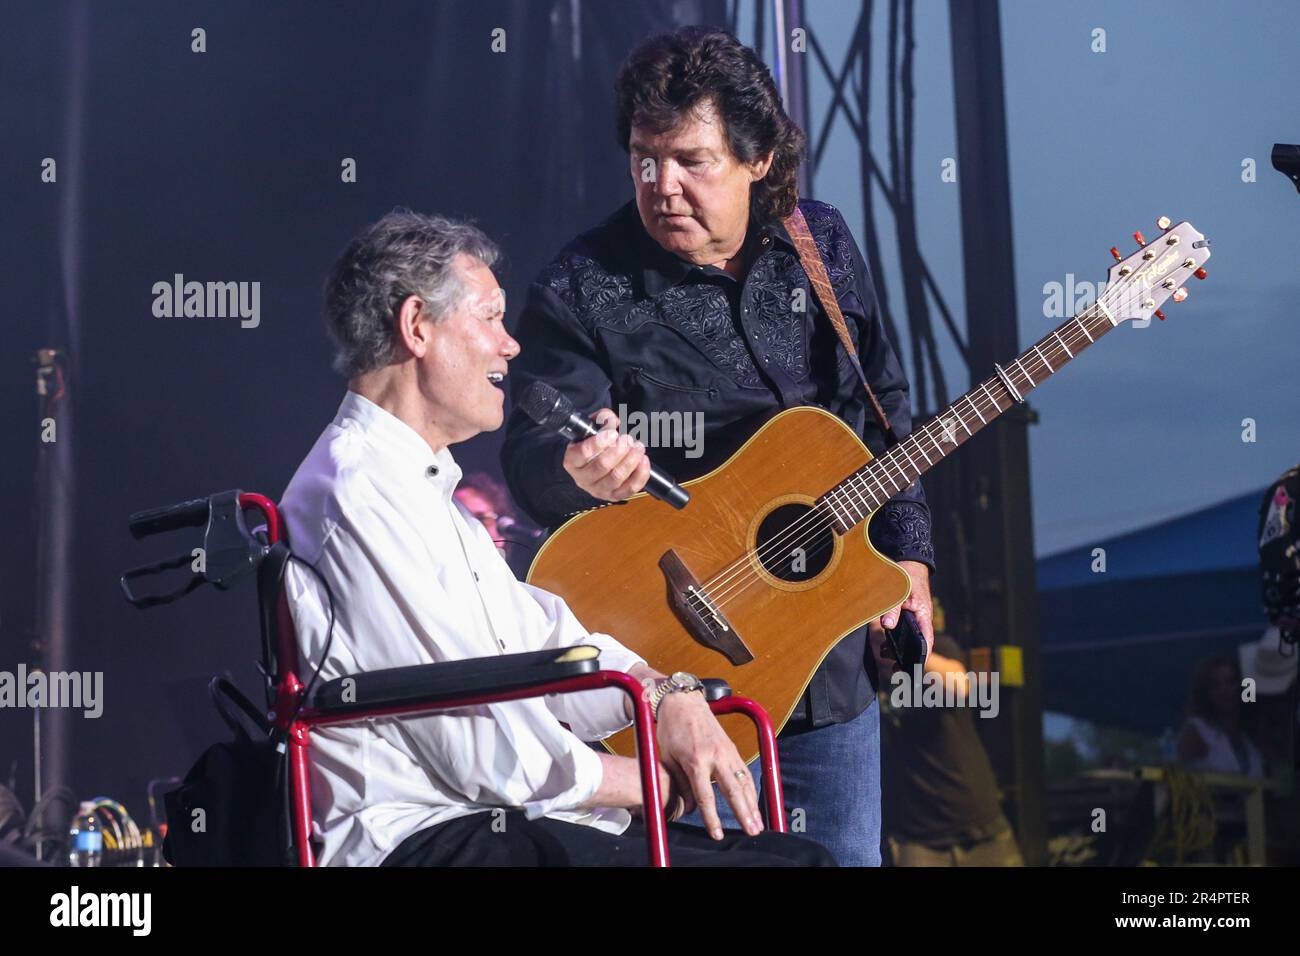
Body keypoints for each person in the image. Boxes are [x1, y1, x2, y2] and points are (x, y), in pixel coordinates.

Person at [278, 210, 833, 866]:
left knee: (793, 857)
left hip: (499, 820)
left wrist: (665, 694)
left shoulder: (424, 491)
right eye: (489, 317)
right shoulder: (358, 494)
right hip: (424, 839)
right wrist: (647, 783)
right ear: (417, 326)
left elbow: (550, 646)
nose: (509, 346)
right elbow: (474, 744)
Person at [501, 27, 935, 865]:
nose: (661, 185)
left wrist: (910, 560)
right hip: (675, 686)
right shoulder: (580, 283)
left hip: (826, 675)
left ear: (760, 158)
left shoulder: (823, 243)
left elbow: (885, 415)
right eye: (643, 158)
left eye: (691, 160)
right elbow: (530, 460)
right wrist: (576, 471)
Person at [879, 601, 1022, 866]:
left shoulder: (936, 646)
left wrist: (897, 637)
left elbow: (959, 684)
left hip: (978, 826)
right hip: (914, 839)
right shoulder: (859, 673)